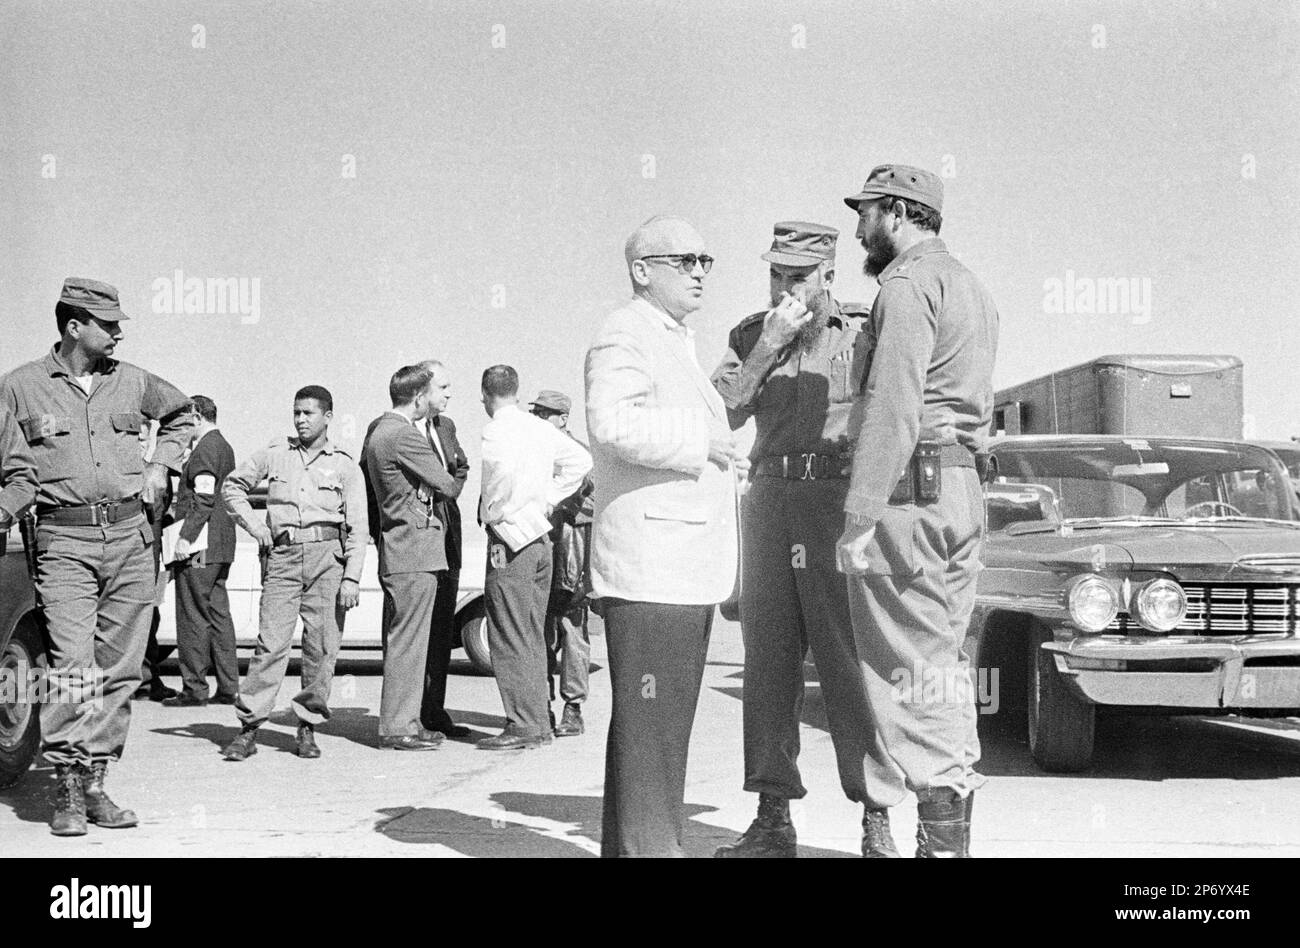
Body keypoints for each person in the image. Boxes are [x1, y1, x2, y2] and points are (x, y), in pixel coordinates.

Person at [711, 221, 907, 858]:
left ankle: (876, 819)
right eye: (776, 273)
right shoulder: (750, 333)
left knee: (848, 662)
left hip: (834, 503)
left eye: (797, 275)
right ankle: (772, 819)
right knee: (767, 662)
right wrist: (769, 344)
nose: (784, 286)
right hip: (769, 501)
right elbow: (726, 414)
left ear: (829, 276)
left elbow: (891, 411)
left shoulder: (862, 330)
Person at [835, 164, 999, 857]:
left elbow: (894, 405)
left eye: (867, 212)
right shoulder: (970, 285)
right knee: (940, 670)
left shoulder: (905, 284)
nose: (859, 227)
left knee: (910, 676)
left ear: (899, 213)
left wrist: (859, 514)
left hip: (911, 494)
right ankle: (948, 843)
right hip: (959, 490)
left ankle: (940, 850)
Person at [0, 277, 193, 836]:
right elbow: (11, 471)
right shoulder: (19, 388)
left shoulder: (132, 382)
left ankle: (95, 785)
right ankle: (65, 786)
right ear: (73, 326)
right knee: (70, 667)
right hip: (63, 541)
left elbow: (181, 415)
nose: (118, 334)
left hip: (132, 539)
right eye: (108, 325)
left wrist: (162, 463)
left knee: (121, 669)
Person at [585, 216, 741, 857]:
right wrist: (701, 440)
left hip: (676, 566)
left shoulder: (671, 338)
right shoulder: (625, 331)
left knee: (655, 730)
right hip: (654, 566)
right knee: (652, 729)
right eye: (685, 259)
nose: (700, 270)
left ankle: (642, 847)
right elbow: (611, 421)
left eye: (707, 259)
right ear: (642, 270)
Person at [219, 385, 367, 761]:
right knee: (271, 645)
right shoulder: (275, 454)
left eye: (309, 414)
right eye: (296, 413)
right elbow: (232, 487)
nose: (301, 420)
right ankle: (249, 728)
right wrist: (256, 527)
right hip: (282, 557)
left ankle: (306, 726)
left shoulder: (346, 465)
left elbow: (358, 526)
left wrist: (351, 576)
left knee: (321, 648)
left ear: (328, 417)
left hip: (327, 561)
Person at [477, 365, 591, 750]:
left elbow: (499, 476)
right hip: (542, 539)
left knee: (507, 634)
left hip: (511, 541)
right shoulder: (540, 428)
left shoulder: (496, 430)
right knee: (530, 633)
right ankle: (538, 721)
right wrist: (547, 499)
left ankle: (523, 724)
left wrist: (495, 511)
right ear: (515, 389)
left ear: (485, 395)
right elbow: (580, 462)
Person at [361, 364, 462, 750]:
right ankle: (397, 727)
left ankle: (409, 721)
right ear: (419, 397)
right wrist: (434, 488)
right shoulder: (403, 435)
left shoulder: (381, 431)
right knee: (408, 643)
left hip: (404, 549)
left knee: (411, 642)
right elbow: (448, 483)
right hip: (415, 551)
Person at [529, 389, 595, 738]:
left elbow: (594, 504)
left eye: (546, 414)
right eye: (536, 414)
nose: (540, 420)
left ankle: (573, 708)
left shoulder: (579, 454)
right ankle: (541, 705)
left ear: (563, 419)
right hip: (539, 545)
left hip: (572, 549)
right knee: (538, 627)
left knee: (571, 629)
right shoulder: (531, 451)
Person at [165, 396, 239, 707]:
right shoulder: (224, 446)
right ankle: (229, 685)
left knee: (192, 614)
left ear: (196, 415)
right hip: (221, 546)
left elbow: (203, 500)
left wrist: (184, 537)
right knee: (218, 614)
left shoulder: (206, 449)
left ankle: (194, 688)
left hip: (200, 547)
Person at [418, 359, 471, 739]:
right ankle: (408, 715)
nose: (450, 394)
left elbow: (461, 467)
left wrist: (448, 492)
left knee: (440, 628)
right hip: (414, 544)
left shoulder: (446, 427)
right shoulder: (395, 429)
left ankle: (434, 711)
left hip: (448, 538)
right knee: (412, 631)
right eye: (443, 387)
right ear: (422, 392)